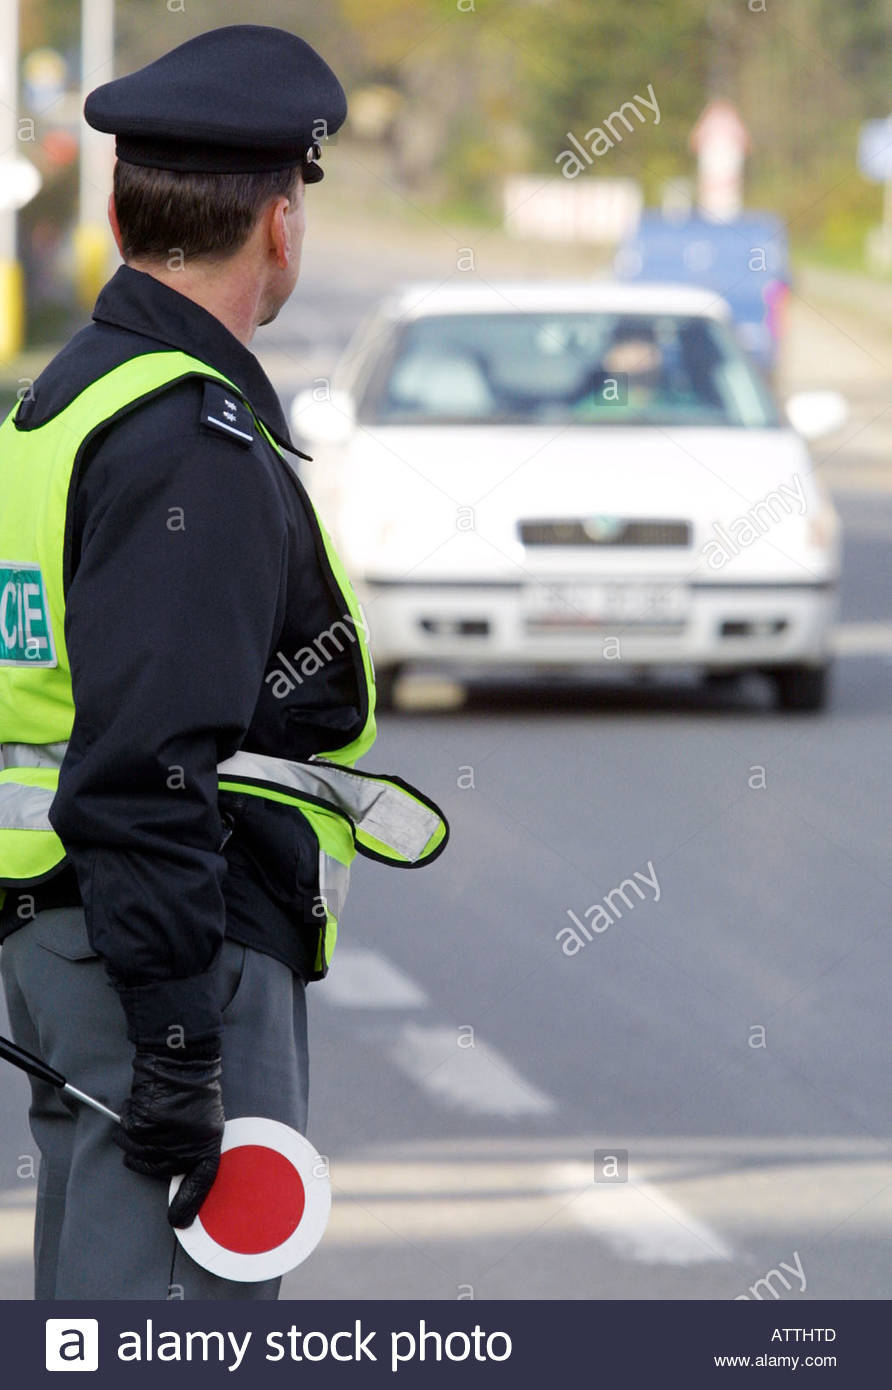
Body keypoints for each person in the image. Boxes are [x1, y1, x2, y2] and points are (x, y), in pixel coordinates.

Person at [0, 25, 446, 1301]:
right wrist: (185, 1043)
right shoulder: (184, 438)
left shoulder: (60, 401)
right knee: (173, 1332)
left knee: (97, 1308)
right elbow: (148, 761)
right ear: (278, 222)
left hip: (69, 936)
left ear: (128, 210)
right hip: (166, 949)